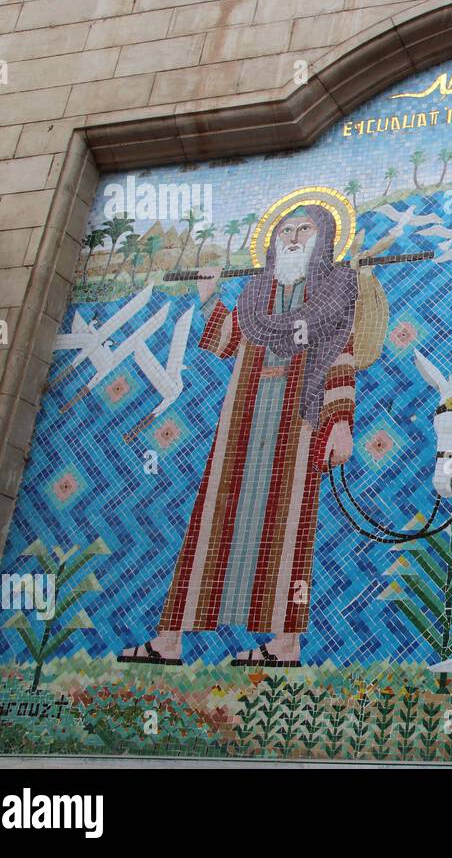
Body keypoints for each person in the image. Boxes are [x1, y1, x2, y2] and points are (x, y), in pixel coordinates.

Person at [118, 203, 358, 668]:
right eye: (285, 230)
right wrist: (210, 298)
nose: (291, 238)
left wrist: (341, 421)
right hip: (243, 423)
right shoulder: (255, 293)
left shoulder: (332, 294)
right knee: (211, 523)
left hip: (299, 424)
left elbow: (339, 354)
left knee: (289, 529)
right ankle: (170, 639)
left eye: (303, 230)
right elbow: (230, 341)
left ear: (322, 238)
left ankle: (285, 644)